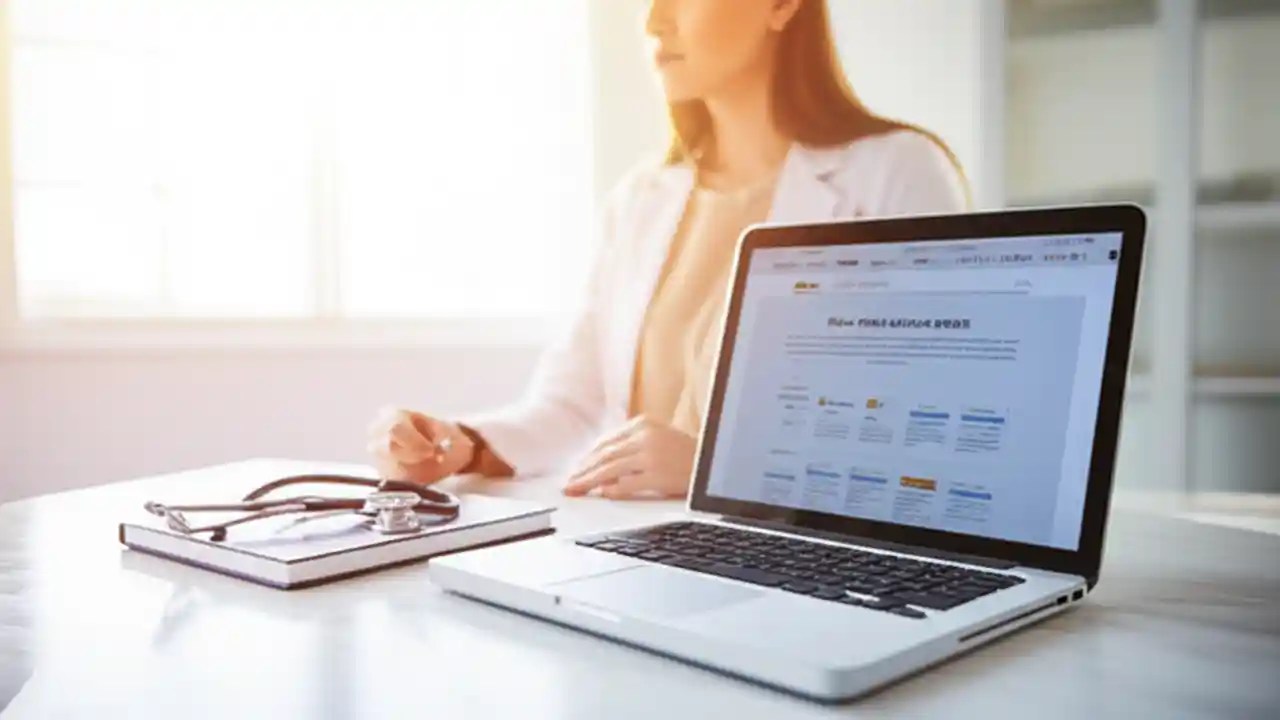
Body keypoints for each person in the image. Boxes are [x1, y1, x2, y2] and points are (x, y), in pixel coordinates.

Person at [366, 0, 968, 500]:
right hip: (628, 545)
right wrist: (460, 443)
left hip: (796, 555)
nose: (655, 20)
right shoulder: (641, 200)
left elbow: (928, 427)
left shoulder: (896, 172)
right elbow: (572, 405)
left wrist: (718, 465)